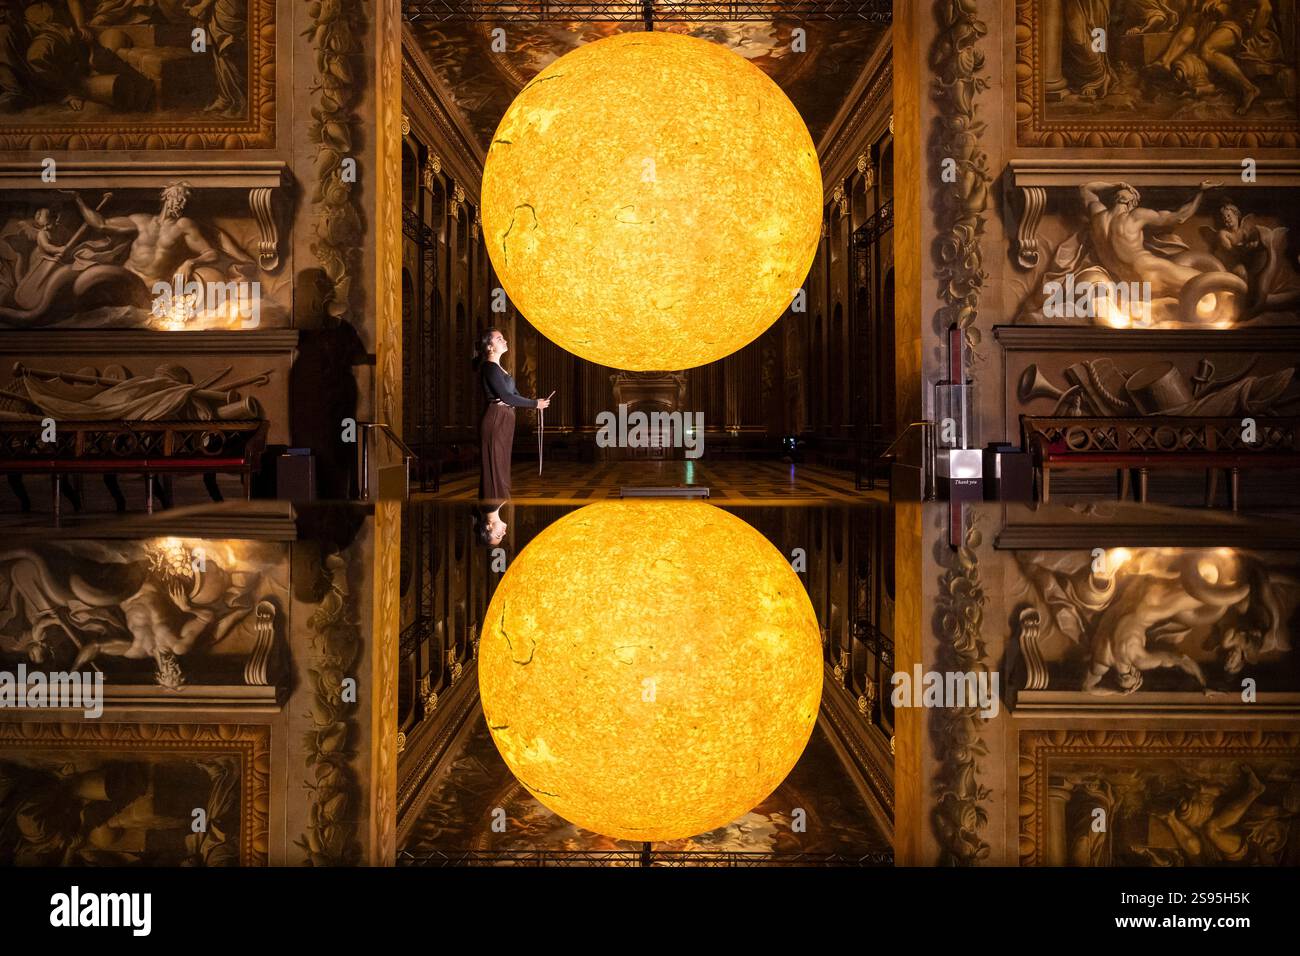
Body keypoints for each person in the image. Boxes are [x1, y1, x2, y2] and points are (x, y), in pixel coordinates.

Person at [472, 327, 549, 515]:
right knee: (495, 465)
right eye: (500, 339)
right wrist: (533, 404)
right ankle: (490, 513)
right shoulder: (489, 368)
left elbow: (514, 395)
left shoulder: (500, 368)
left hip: (505, 419)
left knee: (502, 465)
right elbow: (506, 396)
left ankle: (496, 510)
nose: (505, 341)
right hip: (496, 419)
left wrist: (537, 402)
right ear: (489, 347)